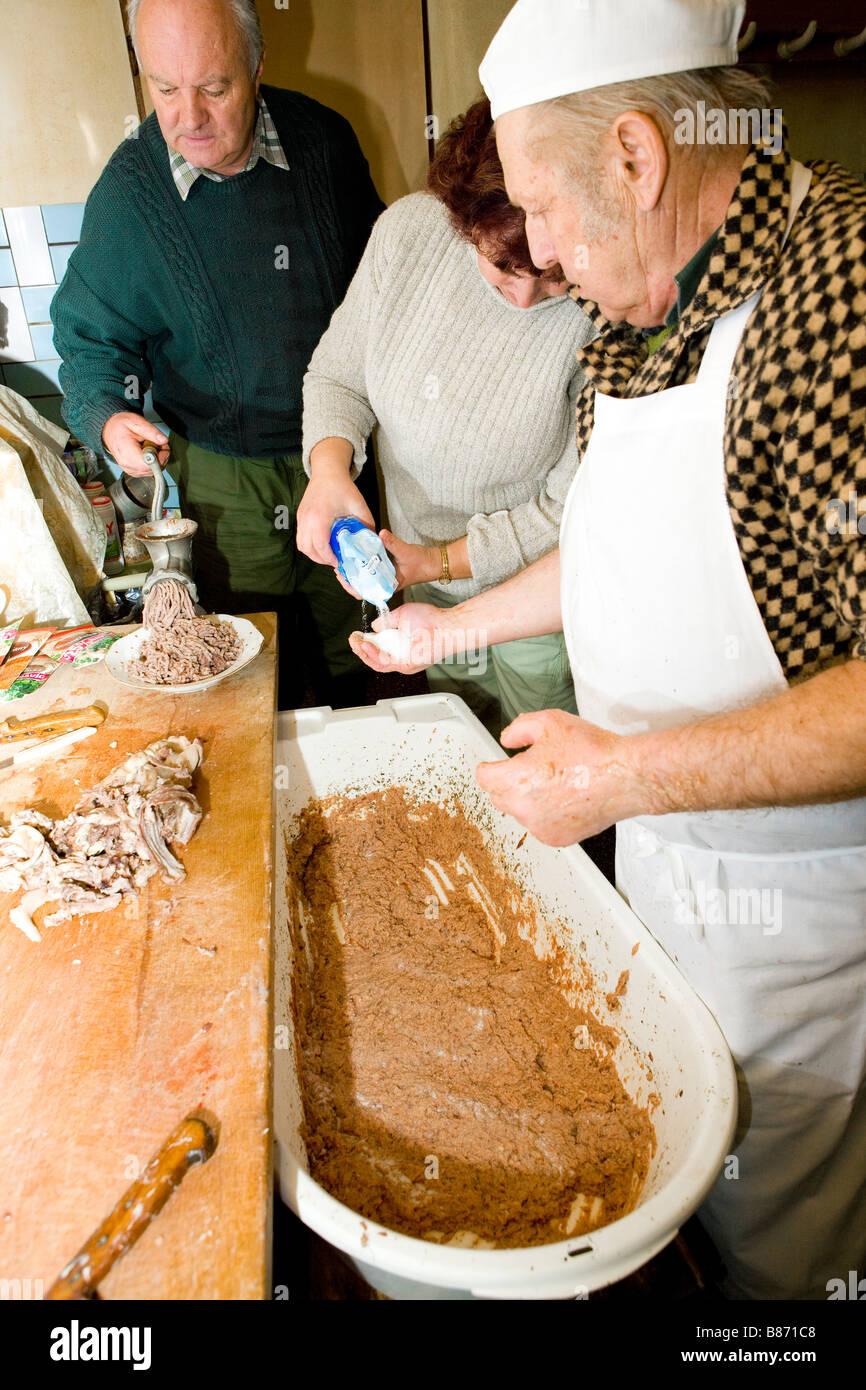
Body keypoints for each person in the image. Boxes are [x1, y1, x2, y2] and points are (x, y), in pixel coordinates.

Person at [352, 0, 866, 1301]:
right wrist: (449, 626)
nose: (532, 245)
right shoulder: (629, 308)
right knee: (669, 1200)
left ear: (635, 157)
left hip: (806, 915)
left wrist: (622, 777)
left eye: (539, 201)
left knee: (778, 1246)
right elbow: (620, 549)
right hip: (659, 859)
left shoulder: (840, 296)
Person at [52, 0, 384, 707]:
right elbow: (86, 343)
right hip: (224, 481)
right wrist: (109, 417)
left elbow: (384, 289)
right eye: (165, 89)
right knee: (255, 665)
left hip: (340, 450)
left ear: (257, 66)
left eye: (215, 87)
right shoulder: (128, 195)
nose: (189, 118)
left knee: (363, 643)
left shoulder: (325, 142)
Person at [296, 98, 595, 735]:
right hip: (423, 583)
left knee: (544, 762)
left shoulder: (606, 301)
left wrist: (437, 561)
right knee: (466, 743)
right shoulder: (408, 234)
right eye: (504, 267)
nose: (524, 296)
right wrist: (328, 473)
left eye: (553, 276)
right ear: (462, 224)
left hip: (537, 599)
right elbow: (338, 375)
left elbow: (568, 511)